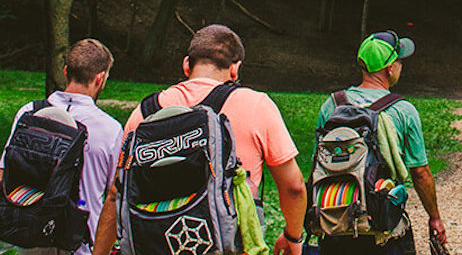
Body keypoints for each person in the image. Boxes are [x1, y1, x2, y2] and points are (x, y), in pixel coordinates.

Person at [91, 24, 307, 255]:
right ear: (235, 69)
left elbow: (117, 194)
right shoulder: (256, 105)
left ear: (186, 65)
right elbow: (294, 187)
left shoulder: (145, 113)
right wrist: (292, 236)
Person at [314, 30, 448, 255]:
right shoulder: (403, 111)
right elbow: (420, 173)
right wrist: (434, 218)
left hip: (334, 221)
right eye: (399, 61)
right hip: (382, 224)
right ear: (389, 68)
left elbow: (317, 164)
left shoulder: (331, 105)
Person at [0, 38, 123, 255]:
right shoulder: (110, 129)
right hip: (80, 243)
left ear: (65, 71)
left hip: (30, 238)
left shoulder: (29, 113)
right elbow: (113, 196)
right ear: (100, 78)